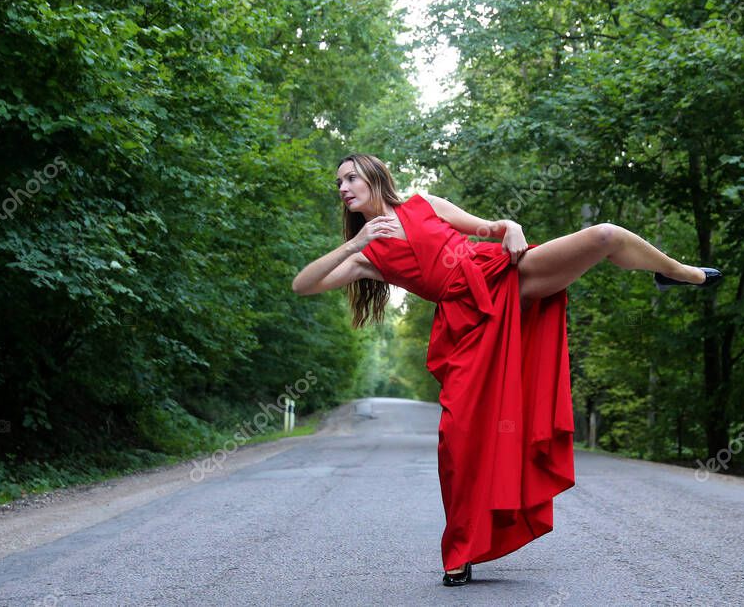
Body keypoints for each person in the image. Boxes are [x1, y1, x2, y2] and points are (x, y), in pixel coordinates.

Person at [291, 154, 721, 587]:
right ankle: (460, 551)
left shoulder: (427, 205)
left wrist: (511, 228)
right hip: (465, 326)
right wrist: (354, 242)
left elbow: (491, 228)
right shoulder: (366, 253)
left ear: (375, 175)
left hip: (504, 277)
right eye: (339, 182)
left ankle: (679, 272)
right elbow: (303, 284)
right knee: (455, 441)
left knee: (604, 235)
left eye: (350, 177)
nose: (343, 187)